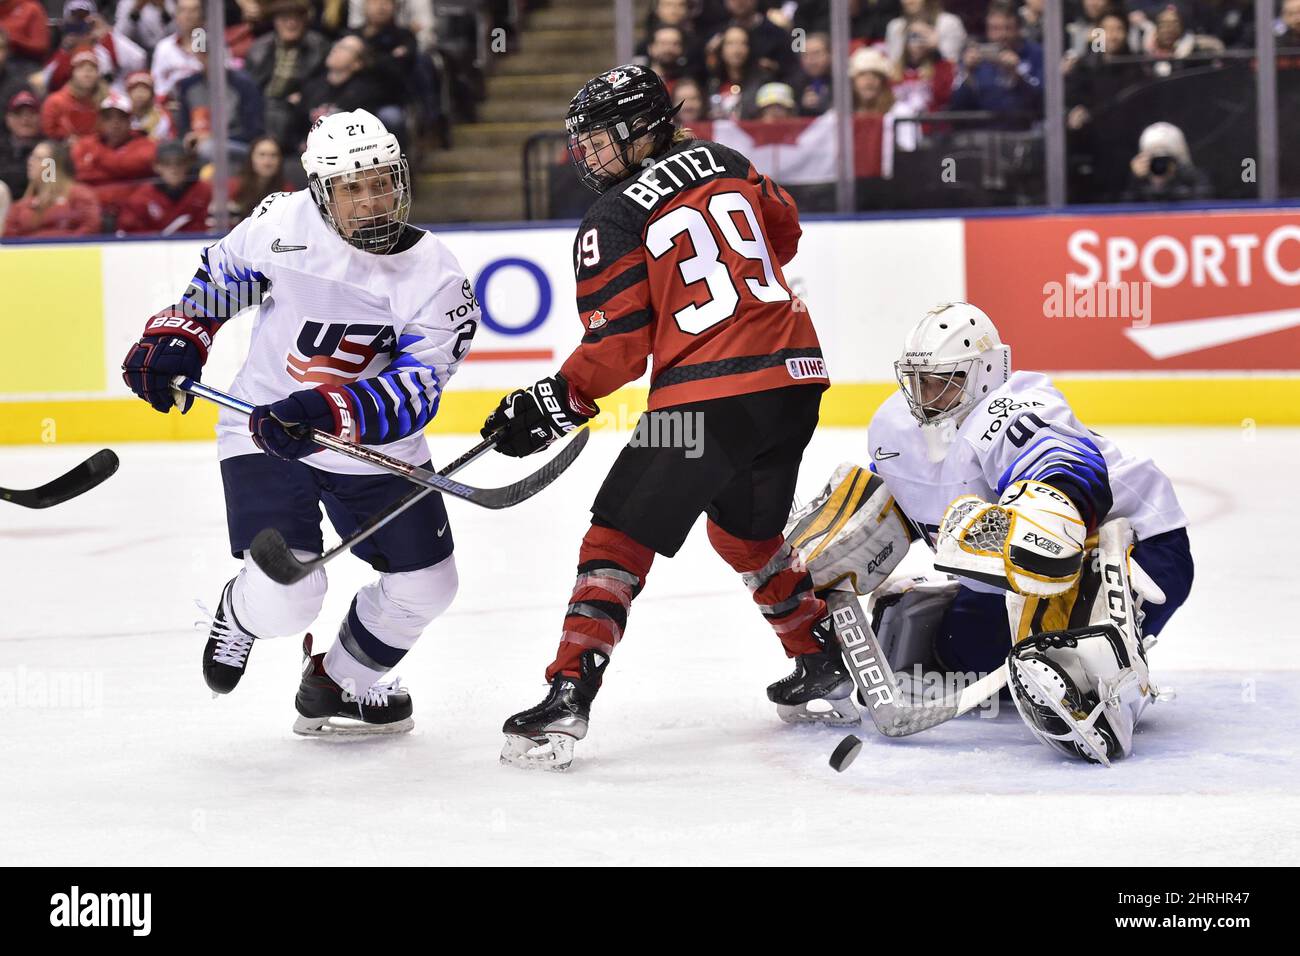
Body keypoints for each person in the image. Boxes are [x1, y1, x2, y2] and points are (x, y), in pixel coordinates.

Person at [484, 64, 831, 771]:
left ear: (644, 127)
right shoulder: (729, 161)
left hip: (702, 402)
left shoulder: (611, 218)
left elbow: (617, 351)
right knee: (745, 532)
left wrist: (554, 402)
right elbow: (784, 234)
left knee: (616, 535)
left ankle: (568, 693)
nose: (592, 155)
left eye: (602, 139)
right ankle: (820, 658)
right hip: (797, 382)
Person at [119, 109, 480, 735]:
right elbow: (220, 280)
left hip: (368, 448)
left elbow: (418, 390)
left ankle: (339, 684)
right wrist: (179, 334)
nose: (371, 200)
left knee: (429, 585)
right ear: (321, 190)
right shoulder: (282, 221)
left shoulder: (438, 275)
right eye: (351, 187)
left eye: (382, 180)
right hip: (262, 429)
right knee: (290, 599)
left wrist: (329, 409)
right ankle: (240, 611)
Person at [783, 302, 1192, 764]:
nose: (925, 392)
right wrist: (853, 538)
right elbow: (914, 501)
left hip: (1140, 549)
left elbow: (1068, 470)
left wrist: (1044, 517)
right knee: (944, 654)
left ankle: (1108, 680)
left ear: (982, 373)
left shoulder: (1014, 406)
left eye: (942, 379)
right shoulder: (896, 426)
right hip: (1022, 581)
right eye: (917, 379)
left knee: (1065, 672)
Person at [245, 0, 328, 148]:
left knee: (280, 113)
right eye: (285, 19)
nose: (291, 24)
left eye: (296, 19)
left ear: (304, 22)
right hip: (262, 101)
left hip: (297, 105)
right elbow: (249, 82)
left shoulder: (318, 46)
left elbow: (323, 81)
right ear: (275, 22)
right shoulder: (260, 47)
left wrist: (305, 94)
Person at [71, 90, 158, 224]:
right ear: (100, 122)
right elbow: (75, 173)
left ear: (130, 121)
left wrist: (97, 159)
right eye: (108, 118)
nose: (115, 123)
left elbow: (129, 165)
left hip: (133, 214)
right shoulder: (85, 144)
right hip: (91, 212)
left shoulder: (146, 144)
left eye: (121, 117)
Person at [3, 139, 102, 236]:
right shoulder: (21, 206)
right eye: (31, 157)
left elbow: (90, 226)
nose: (30, 162)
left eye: (39, 158)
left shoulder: (79, 195)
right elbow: (9, 237)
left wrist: (69, 246)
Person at [117, 138, 211, 233]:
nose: (173, 169)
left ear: (187, 164)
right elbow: (129, 232)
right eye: (167, 163)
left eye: (179, 163)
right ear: (156, 166)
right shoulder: (142, 197)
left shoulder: (204, 191)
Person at [1121, 120, 1212, 202]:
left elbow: (1202, 204)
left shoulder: (1192, 181)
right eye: (1153, 156)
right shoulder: (1139, 186)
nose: (1159, 164)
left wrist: (1179, 176)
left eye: (1166, 156)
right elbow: (1125, 212)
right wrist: (1135, 180)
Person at [228, 133, 293, 221]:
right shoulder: (233, 187)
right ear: (251, 158)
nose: (267, 162)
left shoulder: (288, 192)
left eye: (273, 155)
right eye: (262, 155)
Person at [41, 49, 103, 139]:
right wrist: (65, 138)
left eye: (92, 69)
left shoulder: (105, 102)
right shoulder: (55, 101)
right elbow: (47, 133)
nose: (87, 73)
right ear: (72, 74)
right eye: (81, 68)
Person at [151, 0, 205, 98]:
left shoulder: (214, 46)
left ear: (202, 15)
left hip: (203, 105)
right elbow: (157, 86)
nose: (188, 16)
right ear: (176, 15)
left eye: (194, 11)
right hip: (171, 106)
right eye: (183, 10)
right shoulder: (164, 47)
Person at [1, 89, 40, 198]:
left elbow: (51, 185)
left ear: (40, 118)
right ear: (8, 119)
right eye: (19, 114)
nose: (25, 119)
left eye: (31, 114)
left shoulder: (50, 151)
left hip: (33, 208)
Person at [125, 70, 173, 140]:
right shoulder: (122, 115)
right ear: (128, 93)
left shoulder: (162, 116)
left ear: (152, 94)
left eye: (144, 89)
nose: (139, 94)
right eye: (135, 89)